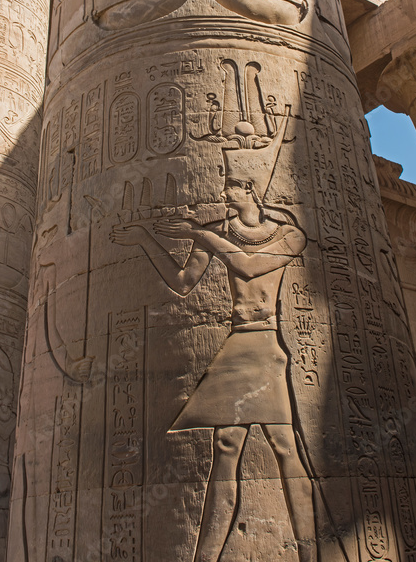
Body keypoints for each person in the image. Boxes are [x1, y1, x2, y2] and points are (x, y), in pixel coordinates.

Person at [111, 161, 319, 562]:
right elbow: (183, 283)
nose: (224, 196)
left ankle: (310, 552)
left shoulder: (289, 234)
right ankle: (206, 556)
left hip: (265, 343)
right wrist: (144, 240)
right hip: (237, 343)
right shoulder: (216, 235)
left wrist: (199, 234)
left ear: (250, 190)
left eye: (231, 189)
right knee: (225, 445)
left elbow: (249, 265)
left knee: (284, 446)